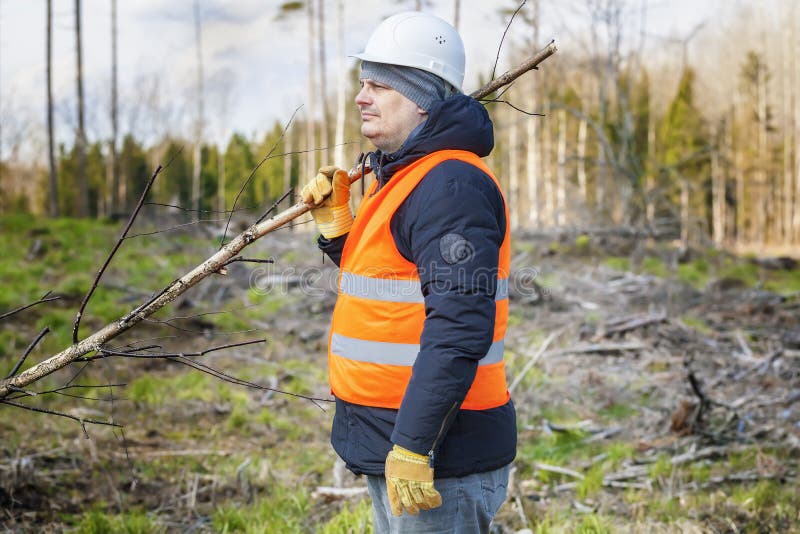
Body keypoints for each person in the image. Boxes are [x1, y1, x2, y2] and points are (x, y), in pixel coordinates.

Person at [300, 11, 516, 533]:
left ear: (421, 98)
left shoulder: (450, 187)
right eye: (362, 82)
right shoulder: (406, 174)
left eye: (378, 85)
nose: (361, 96)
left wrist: (415, 445)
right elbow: (393, 288)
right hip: (398, 439)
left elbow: (459, 327)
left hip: (440, 451)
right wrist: (338, 232)